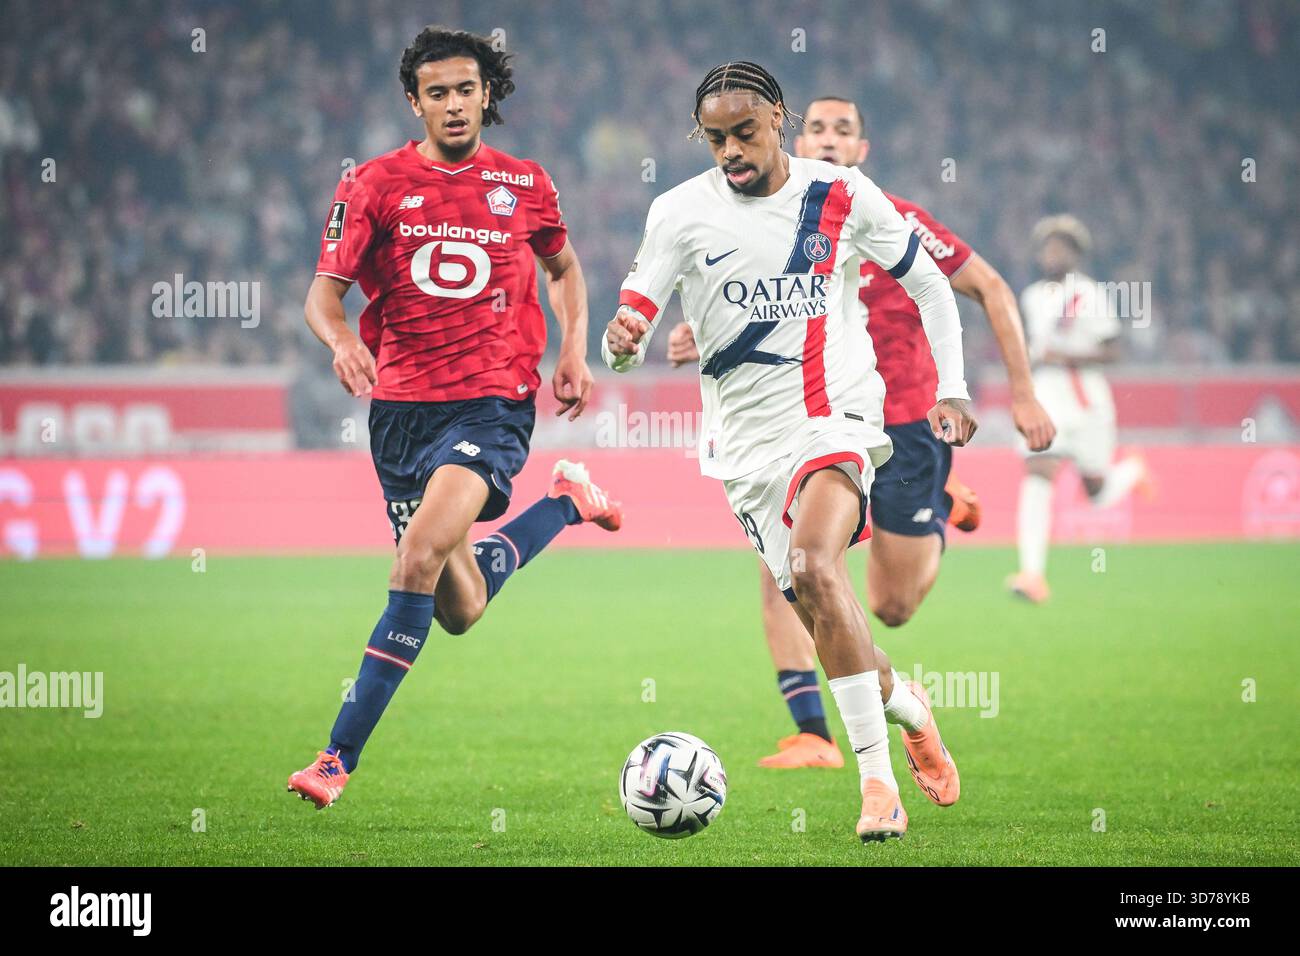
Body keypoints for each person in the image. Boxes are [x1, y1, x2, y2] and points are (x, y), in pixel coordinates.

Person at [603, 62, 976, 842]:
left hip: (835, 420)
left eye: (744, 133)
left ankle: (877, 789)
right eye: (715, 140)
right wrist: (624, 343)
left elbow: (932, 284)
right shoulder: (677, 213)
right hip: (743, 450)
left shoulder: (838, 193)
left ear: (780, 117)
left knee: (813, 566)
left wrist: (956, 386)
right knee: (827, 616)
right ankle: (908, 707)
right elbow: (628, 338)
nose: (731, 151)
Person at [665, 96, 1055, 769]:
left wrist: (1022, 393)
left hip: (901, 426)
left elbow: (989, 287)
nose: (827, 139)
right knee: (790, 564)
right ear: (795, 138)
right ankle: (813, 733)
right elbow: (754, 309)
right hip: (809, 422)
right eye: (815, 127)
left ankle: (943, 500)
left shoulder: (897, 220)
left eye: (843, 131)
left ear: (862, 152)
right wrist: (698, 332)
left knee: (891, 606)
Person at [287, 26, 622, 809]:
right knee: (460, 606)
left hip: (491, 404)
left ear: (487, 95)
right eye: (436, 93)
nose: (454, 104)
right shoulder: (371, 185)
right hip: (400, 413)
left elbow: (565, 268)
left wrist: (575, 350)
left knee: (414, 562)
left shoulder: (525, 183)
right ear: (415, 102)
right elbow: (321, 295)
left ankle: (335, 758)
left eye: (466, 90)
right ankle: (565, 504)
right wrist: (340, 342)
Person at [1008, 215, 1151, 604]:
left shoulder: (1089, 294)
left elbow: (1113, 350)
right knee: (1038, 469)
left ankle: (1133, 471)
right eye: (1048, 246)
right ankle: (1032, 574)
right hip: (1046, 396)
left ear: (1076, 254)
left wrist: (1062, 355)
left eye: (1062, 246)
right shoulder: (1031, 296)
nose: (1053, 252)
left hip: (1087, 403)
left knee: (1097, 492)